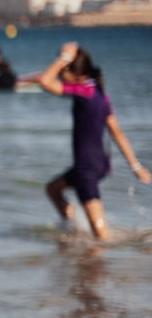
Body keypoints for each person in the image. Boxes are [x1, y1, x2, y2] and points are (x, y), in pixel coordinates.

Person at [38, 42, 150, 239]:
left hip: (86, 170)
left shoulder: (82, 92)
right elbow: (117, 133)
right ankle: (73, 231)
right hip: (98, 165)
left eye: (64, 70)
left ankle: (104, 262)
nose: (61, 74)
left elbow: (45, 81)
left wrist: (64, 57)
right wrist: (136, 165)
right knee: (52, 189)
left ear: (76, 73)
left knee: (102, 235)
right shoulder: (98, 92)